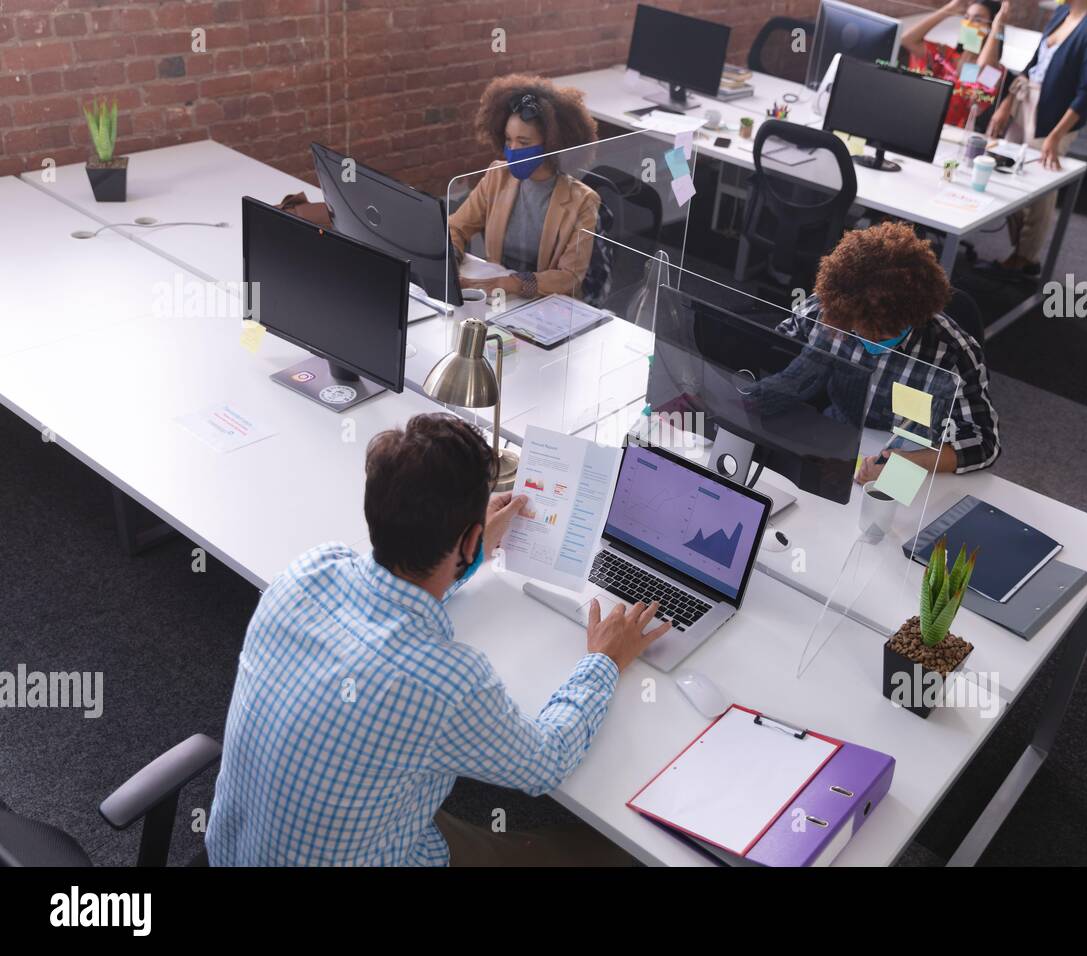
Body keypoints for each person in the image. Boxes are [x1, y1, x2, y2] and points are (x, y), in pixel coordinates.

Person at [206, 413, 670, 866]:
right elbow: (545, 762)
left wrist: (465, 553)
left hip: (233, 850)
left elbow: (395, 592)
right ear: (470, 539)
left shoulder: (308, 571)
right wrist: (604, 659)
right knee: (606, 852)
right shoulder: (446, 683)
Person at [776, 222, 1000, 481]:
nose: (871, 342)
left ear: (916, 315)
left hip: (909, 459)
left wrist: (905, 463)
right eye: (858, 329)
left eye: (883, 334)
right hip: (831, 441)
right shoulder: (825, 313)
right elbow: (773, 359)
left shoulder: (952, 352)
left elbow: (984, 442)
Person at [449, 74, 601, 300]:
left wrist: (511, 284)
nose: (512, 149)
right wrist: (450, 262)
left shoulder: (583, 201)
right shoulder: (497, 176)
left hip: (546, 304)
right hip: (498, 299)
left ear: (552, 145)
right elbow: (456, 228)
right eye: (508, 140)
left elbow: (569, 277)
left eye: (524, 143)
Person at [985, 0, 1087, 276]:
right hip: (1025, 101)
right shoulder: (1062, 12)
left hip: (1055, 119)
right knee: (1004, 170)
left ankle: (1025, 258)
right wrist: (1007, 103)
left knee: (1040, 190)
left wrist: (1055, 136)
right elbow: (1035, 63)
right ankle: (1019, 246)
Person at [900, 0, 1011, 129]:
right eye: (966, 17)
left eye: (977, 19)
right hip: (918, 121)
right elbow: (907, 40)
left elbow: (980, 72)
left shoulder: (995, 70)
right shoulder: (947, 55)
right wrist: (950, 9)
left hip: (952, 135)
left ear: (991, 27)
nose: (968, 23)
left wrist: (997, 29)